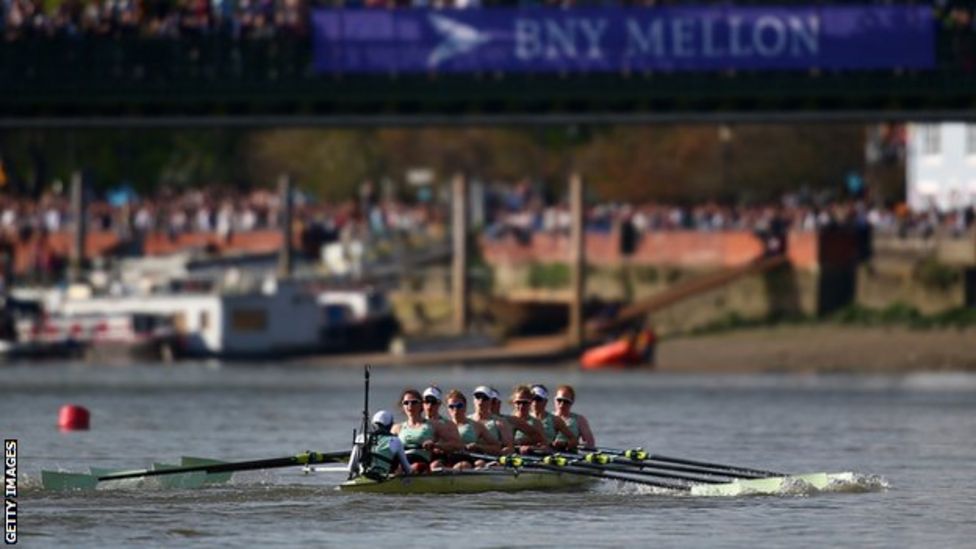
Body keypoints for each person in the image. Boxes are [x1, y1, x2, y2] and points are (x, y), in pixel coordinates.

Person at [391, 388, 453, 473]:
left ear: (421, 405)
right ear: (402, 406)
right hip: (402, 461)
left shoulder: (434, 425)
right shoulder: (397, 428)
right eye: (406, 403)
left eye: (414, 402)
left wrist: (436, 445)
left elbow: (456, 444)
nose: (410, 406)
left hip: (420, 463)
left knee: (415, 467)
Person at [444, 389, 500, 469]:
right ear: (448, 408)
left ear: (465, 406)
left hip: (468, 459)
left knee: (472, 464)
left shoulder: (476, 425)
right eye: (451, 406)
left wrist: (478, 447)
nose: (455, 409)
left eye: (459, 406)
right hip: (448, 458)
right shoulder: (443, 426)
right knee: (435, 465)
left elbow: (497, 447)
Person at [355, 410, 412, 480]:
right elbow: (408, 469)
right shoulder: (395, 440)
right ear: (390, 425)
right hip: (382, 478)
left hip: (362, 478)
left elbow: (351, 467)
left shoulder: (360, 438)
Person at [528, 384, 579, 451]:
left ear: (545, 401)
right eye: (532, 399)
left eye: (538, 399)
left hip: (545, 454)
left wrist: (565, 444)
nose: (534, 403)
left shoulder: (555, 420)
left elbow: (574, 441)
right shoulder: (520, 419)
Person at [421, 385, 463, 463]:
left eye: (433, 402)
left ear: (439, 403)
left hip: (441, 459)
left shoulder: (448, 424)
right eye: (427, 401)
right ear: (422, 403)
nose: (429, 405)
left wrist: (438, 446)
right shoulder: (417, 423)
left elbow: (459, 446)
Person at [470, 385, 515, 455]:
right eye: (477, 397)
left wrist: (499, 453)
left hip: (491, 460)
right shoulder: (466, 420)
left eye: (485, 398)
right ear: (473, 400)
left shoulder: (500, 422)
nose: (481, 401)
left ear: (490, 402)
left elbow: (510, 448)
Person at [551, 385, 596, 450]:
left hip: (569, 453)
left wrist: (567, 444)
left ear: (572, 402)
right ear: (554, 400)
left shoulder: (579, 420)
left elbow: (590, 443)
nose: (562, 404)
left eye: (566, 401)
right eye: (559, 400)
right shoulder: (547, 417)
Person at [508, 385, 548, 453]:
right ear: (513, 403)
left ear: (530, 402)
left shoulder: (536, 423)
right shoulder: (507, 421)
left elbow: (545, 447)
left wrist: (531, 448)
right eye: (518, 402)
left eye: (524, 403)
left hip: (528, 456)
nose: (521, 406)